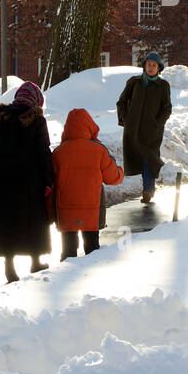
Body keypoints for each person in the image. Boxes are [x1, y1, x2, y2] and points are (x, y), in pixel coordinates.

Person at [0, 81, 54, 283]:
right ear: (36, 100)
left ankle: (9, 265)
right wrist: (49, 179)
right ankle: (35, 260)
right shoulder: (36, 120)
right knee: (33, 222)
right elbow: (43, 151)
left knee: (7, 221)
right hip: (30, 181)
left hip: (5, 181)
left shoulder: (1, 118)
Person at [51, 108, 123, 261]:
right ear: (90, 125)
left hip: (66, 211)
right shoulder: (99, 150)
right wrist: (121, 172)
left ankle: (63, 280)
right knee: (92, 252)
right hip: (92, 211)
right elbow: (112, 178)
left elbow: (51, 180)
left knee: (68, 253)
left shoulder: (58, 153)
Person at [116, 52, 172, 204]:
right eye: (149, 64)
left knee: (149, 159)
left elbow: (167, 108)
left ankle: (148, 190)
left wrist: (158, 123)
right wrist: (125, 118)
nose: (151, 67)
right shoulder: (134, 82)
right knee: (139, 158)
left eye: (154, 65)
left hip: (152, 131)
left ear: (158, 68)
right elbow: (121, 102)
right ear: (145, 66)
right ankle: (149, 188)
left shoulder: (163, 86)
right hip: (133, 130)